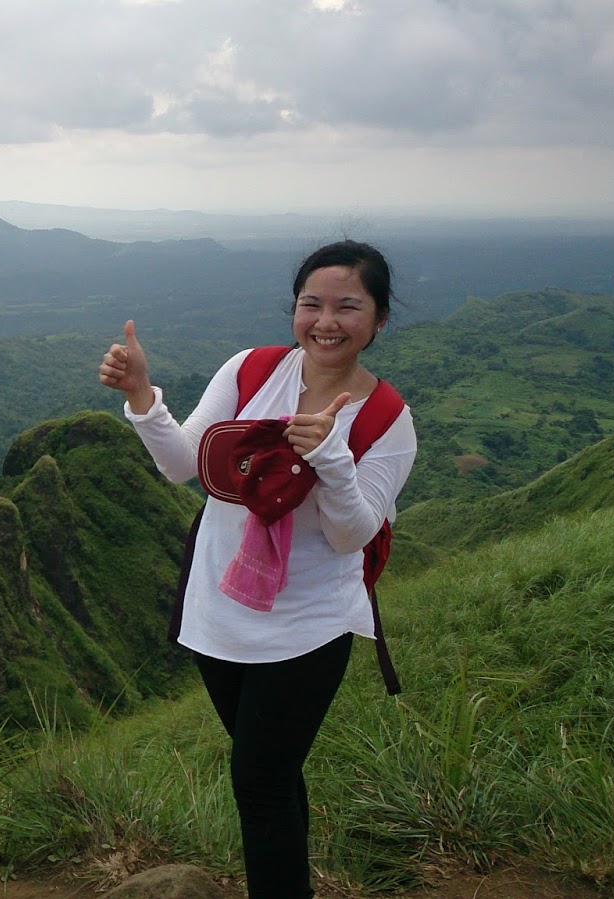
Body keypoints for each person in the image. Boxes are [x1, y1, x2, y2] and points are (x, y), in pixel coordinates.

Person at [96, 240, 417, 899]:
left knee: (259, 780)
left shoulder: (388, 420)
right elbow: (184, 464)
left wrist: (331, 457)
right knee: (274, 773)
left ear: (379, 319)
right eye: (311, 304)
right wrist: (141, 396)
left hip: (308, 623)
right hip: (221, 607)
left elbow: (351, 534)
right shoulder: (250, 370)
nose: (326, 321)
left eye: (348, 307)